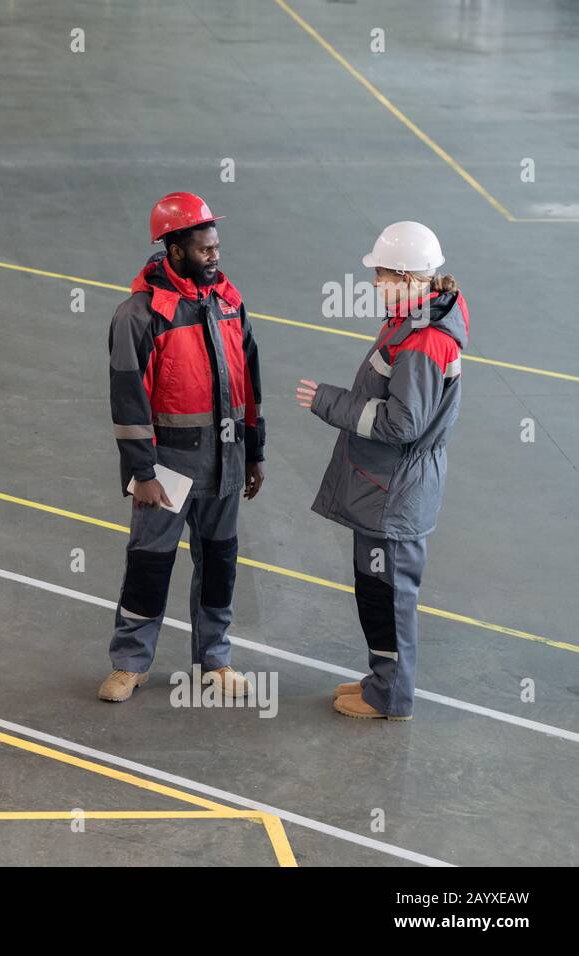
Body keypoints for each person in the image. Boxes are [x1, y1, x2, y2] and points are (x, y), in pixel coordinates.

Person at [296, 221, 468, 721]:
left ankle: (391, 695)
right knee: (376, 589)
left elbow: (401, 423)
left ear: (411, 278)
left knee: (389, 595)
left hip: (393, 493)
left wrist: (330, 402)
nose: (376, 284)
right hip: (384, 490)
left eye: (384, 275)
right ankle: (382, 680)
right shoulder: (412, 320)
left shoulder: (423, 341)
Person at [99, 191, 266, 703]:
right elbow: (129, 401)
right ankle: (130, 664)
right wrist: (142, 471)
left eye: (216, 247)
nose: (215, 256)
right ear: (174, 251)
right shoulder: (139, 316)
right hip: (168, 467)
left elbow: (250, 387)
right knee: (150, 564)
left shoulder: (230, 304)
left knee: (220, 563)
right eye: (204, 249)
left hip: (226, 463)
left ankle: (214, 660)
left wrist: (254, 452)